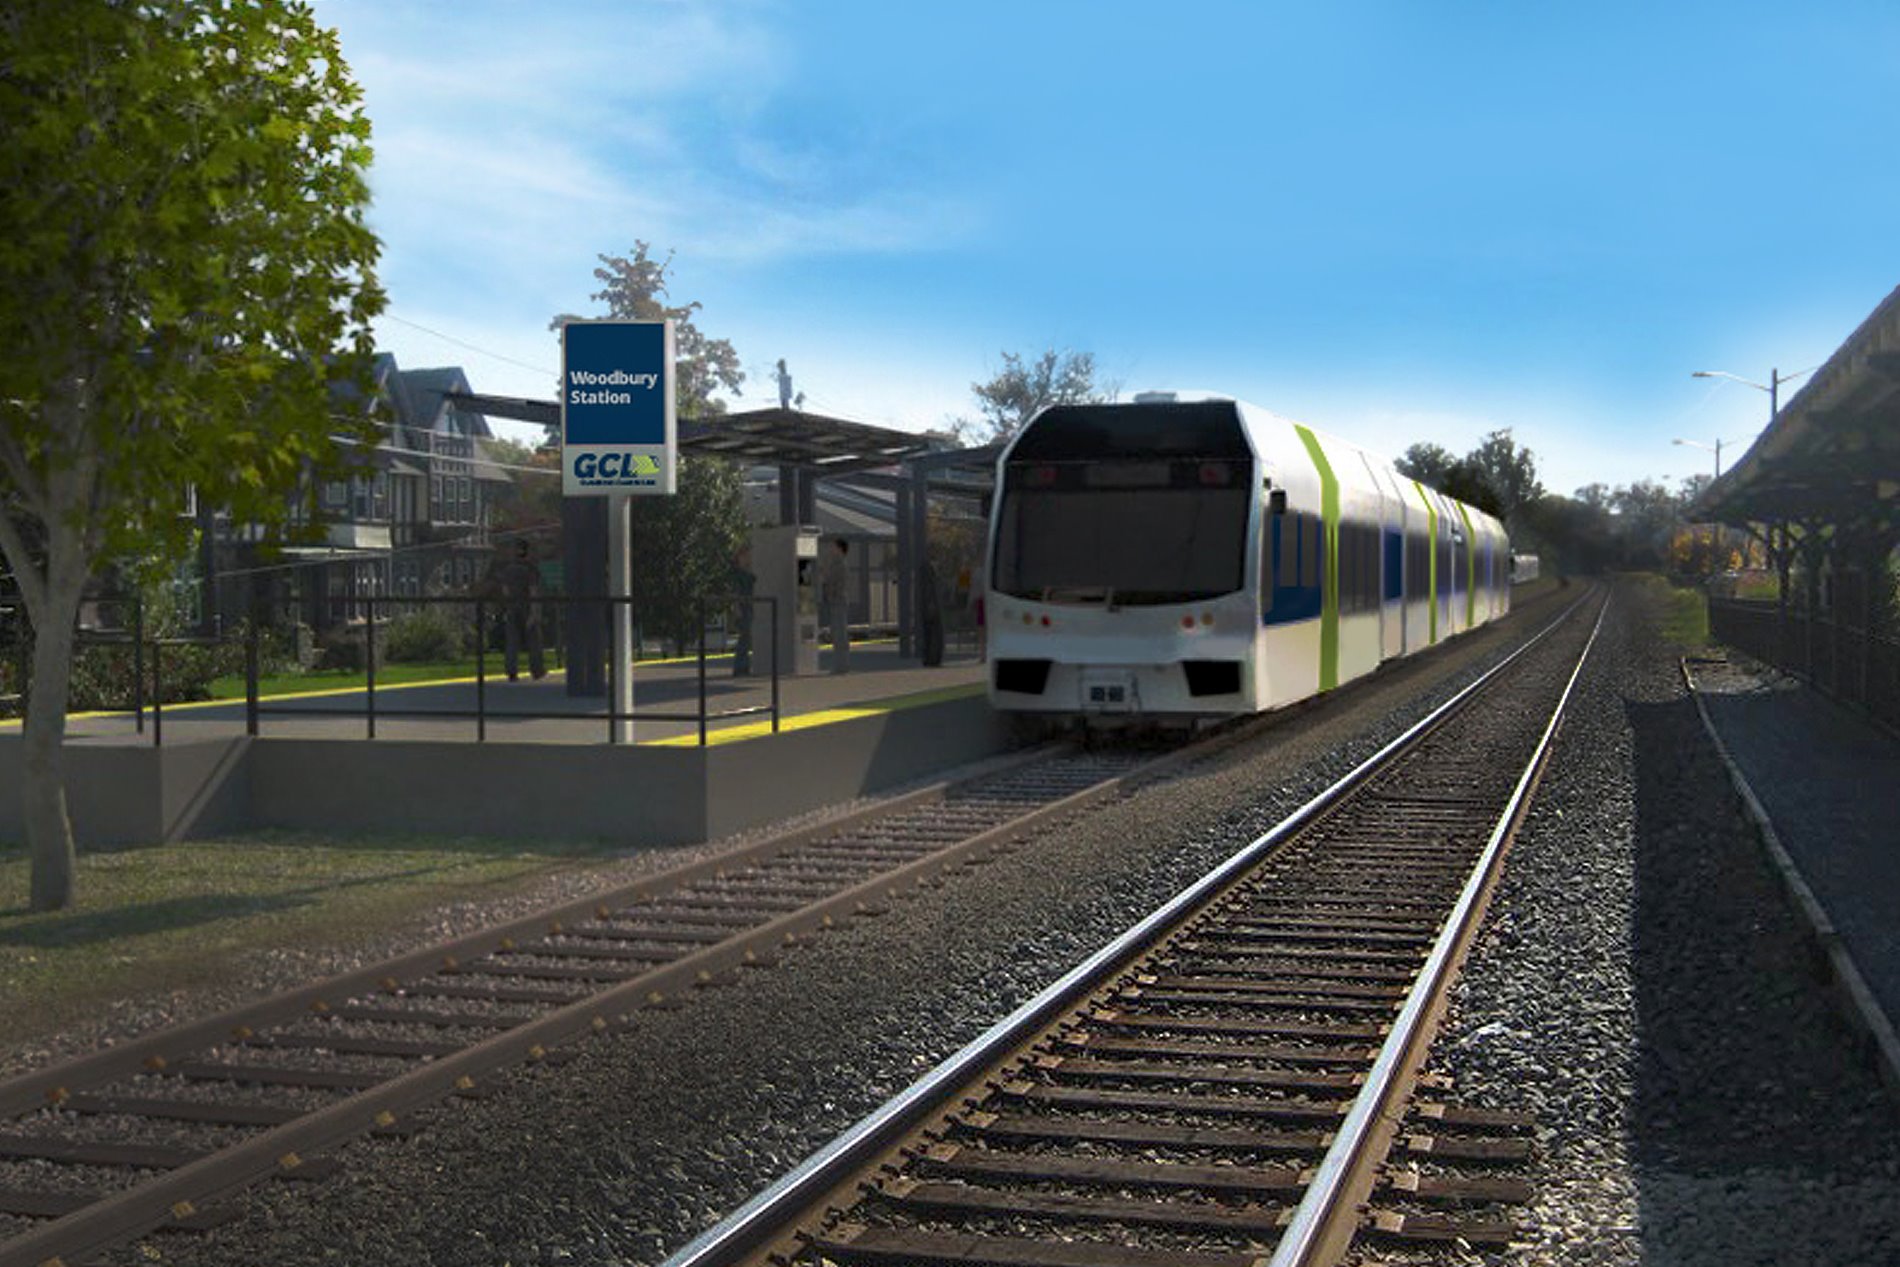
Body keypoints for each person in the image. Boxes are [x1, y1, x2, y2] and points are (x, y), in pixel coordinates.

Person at [482, 540, 545, 680]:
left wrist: (507, 605)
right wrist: (534, 612)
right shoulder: (530, 569)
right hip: (527, 606)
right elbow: (533, 591)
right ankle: (537, 670)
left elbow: (505, 591)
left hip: (512, 607)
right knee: (534, 640)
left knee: (512, 641)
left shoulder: (508, 570)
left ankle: (511, 670)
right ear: (526, 552)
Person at [820, 536, 850, 674]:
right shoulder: (837, 563)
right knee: (838, 633)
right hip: (837, 600)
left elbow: (831, 581)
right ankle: (841, 665)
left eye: (833, 546)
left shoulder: (839, 564)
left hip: (838, 600)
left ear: (839, 548)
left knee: (839, 634)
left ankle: (841, 666)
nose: (831, 549)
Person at [730, 543, 755, 676]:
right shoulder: (738, 574)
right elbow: (736, 592)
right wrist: (737, 608)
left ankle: (743, 666)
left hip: (748, 607)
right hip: (743, 607)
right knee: (744, 638)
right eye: (746, 556)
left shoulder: (747, 573)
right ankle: (740, 667)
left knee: (746, 638)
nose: (748, 558)